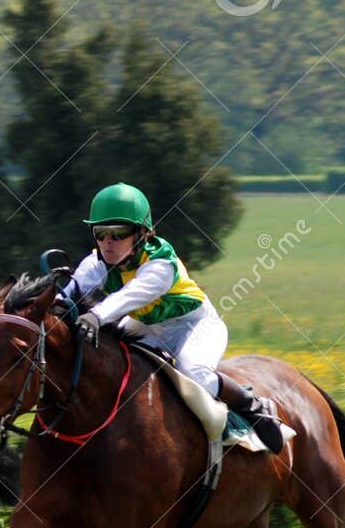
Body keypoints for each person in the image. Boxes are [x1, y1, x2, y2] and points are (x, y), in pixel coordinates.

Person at [59, 182, 284, 452]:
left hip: (195, 325)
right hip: (148, 327)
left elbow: (130, 296)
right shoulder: (96, 263)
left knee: (195, 374)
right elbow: (70, 291)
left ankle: (253, 407)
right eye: (101, 233)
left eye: (118, 233)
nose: (108, 242)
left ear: (142, 233)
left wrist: (95, 316)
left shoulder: (161, 263)